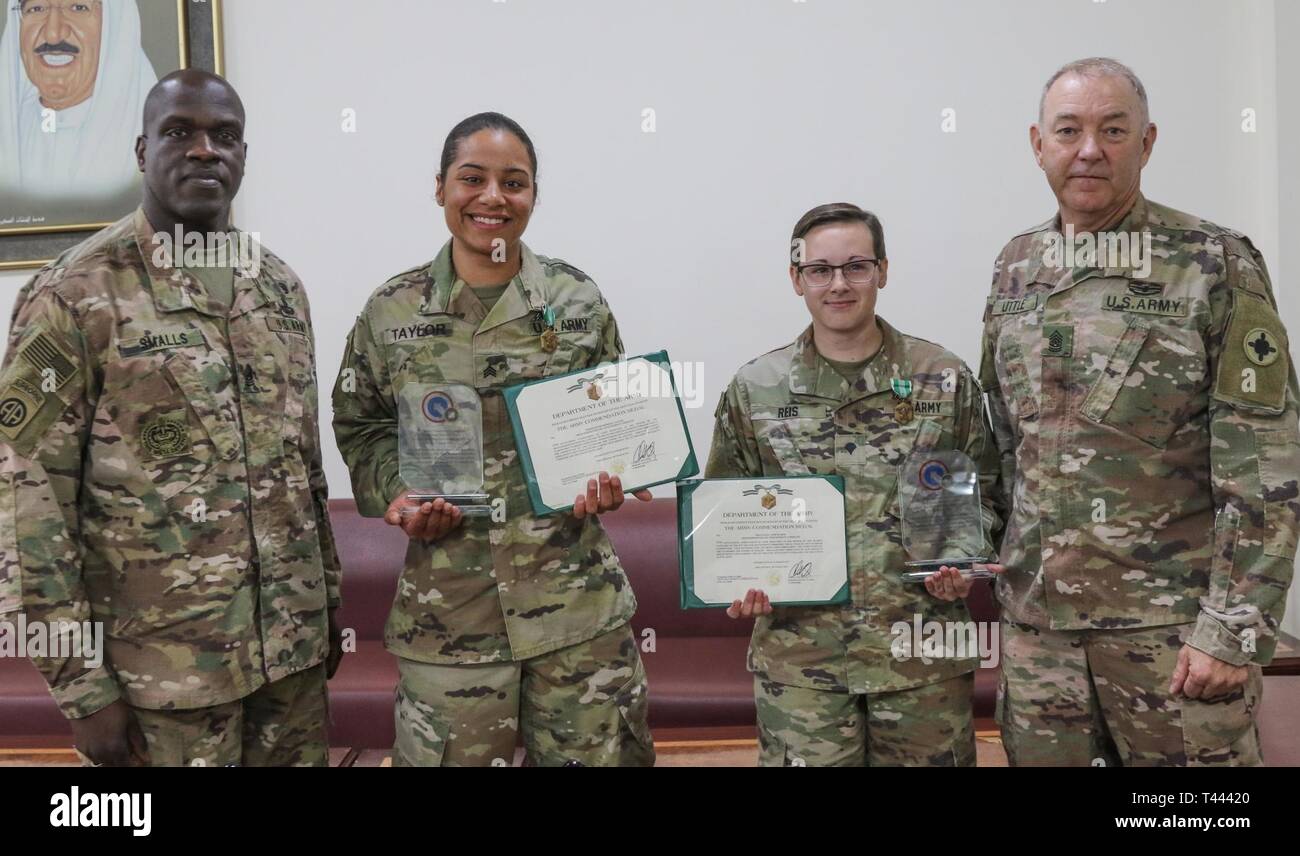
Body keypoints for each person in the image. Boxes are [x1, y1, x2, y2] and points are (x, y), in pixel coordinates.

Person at [0, 69, 342, 767]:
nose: (204, 150)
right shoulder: (70, 295)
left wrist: (327, 609)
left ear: (243, 154)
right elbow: (24, 507)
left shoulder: (277, 288)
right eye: (180, 132)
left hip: (292, 668)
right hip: (163, 685)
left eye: (225, 136)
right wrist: (82, 688)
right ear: (141, 150)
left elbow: (304, 469)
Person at [981, 57, 1299, 766]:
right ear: (1039, 144)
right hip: (1042, 639)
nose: (1089, 149)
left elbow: (1267, 469)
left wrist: (1232, 630)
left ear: (1147, 142)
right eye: (1069, 130)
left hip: (1171, 637)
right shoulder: (1015, 266)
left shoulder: (1212, 262)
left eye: (1112, 129)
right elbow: (1003, 443)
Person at [333, 112, 656, 767]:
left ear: (533, 195)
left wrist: (613, 475)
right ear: (440, 188)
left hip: (575, 614)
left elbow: (615, 422)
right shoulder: (391, 310)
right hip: (449, 621)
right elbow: (359, 423)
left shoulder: (576, 301)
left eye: (514, 183)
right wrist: (396, 495)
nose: (492, 198)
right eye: (471, 179)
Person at [706, 202, 1005, 766]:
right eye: (820, 269)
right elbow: (723, 510)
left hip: (924, 652)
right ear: (797, 279)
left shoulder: (942, 377)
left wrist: (966, 562)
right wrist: (739, 580)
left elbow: (986, 492)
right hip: (803, 664)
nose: (838, 284)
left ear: (883, 271)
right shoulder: (756, 389)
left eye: (856, 266)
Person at [0, 0, 157, 207]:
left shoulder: (152, 138)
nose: (53, 34)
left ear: (114, 26)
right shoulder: (9, 133)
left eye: (78, 8)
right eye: (36, 8)